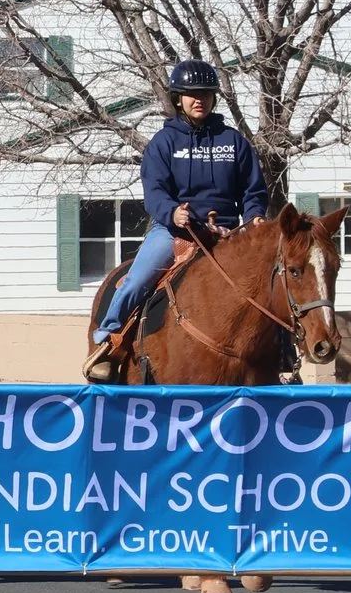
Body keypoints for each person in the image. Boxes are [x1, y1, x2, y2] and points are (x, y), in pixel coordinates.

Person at [86, 59, 271, 381]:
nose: (198, 99)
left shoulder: (234, 141)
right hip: (176, 231)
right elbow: (154, 191)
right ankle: (107, 344)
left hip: (230, 232)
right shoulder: (164, 143)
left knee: (273, 282)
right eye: (190, 94)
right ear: (178, 98)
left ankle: (282, 355)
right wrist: (172, 211)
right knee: (138, 278)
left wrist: (254, 217)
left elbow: (254, 190)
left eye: (205, 93)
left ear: (214, 98)